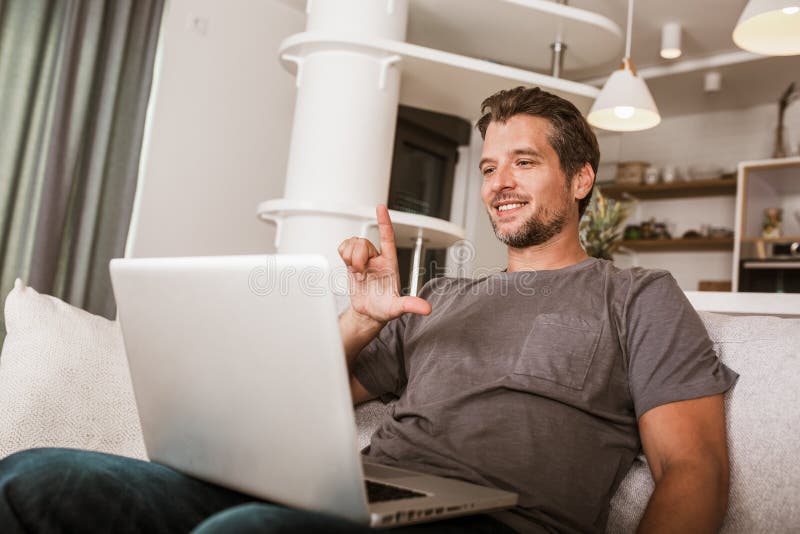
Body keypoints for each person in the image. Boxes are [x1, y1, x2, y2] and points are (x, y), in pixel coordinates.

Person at [0, 86, 737, 534]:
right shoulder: (437, 298)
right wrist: (361, 320)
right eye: (487, 166)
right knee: (33, 478)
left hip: (493, 526)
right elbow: (296, 401)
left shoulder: (636, 297)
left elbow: (694, 468)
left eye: (524, 162)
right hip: (351, 502)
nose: (498, 183)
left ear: (580, 179)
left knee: (249, 533)